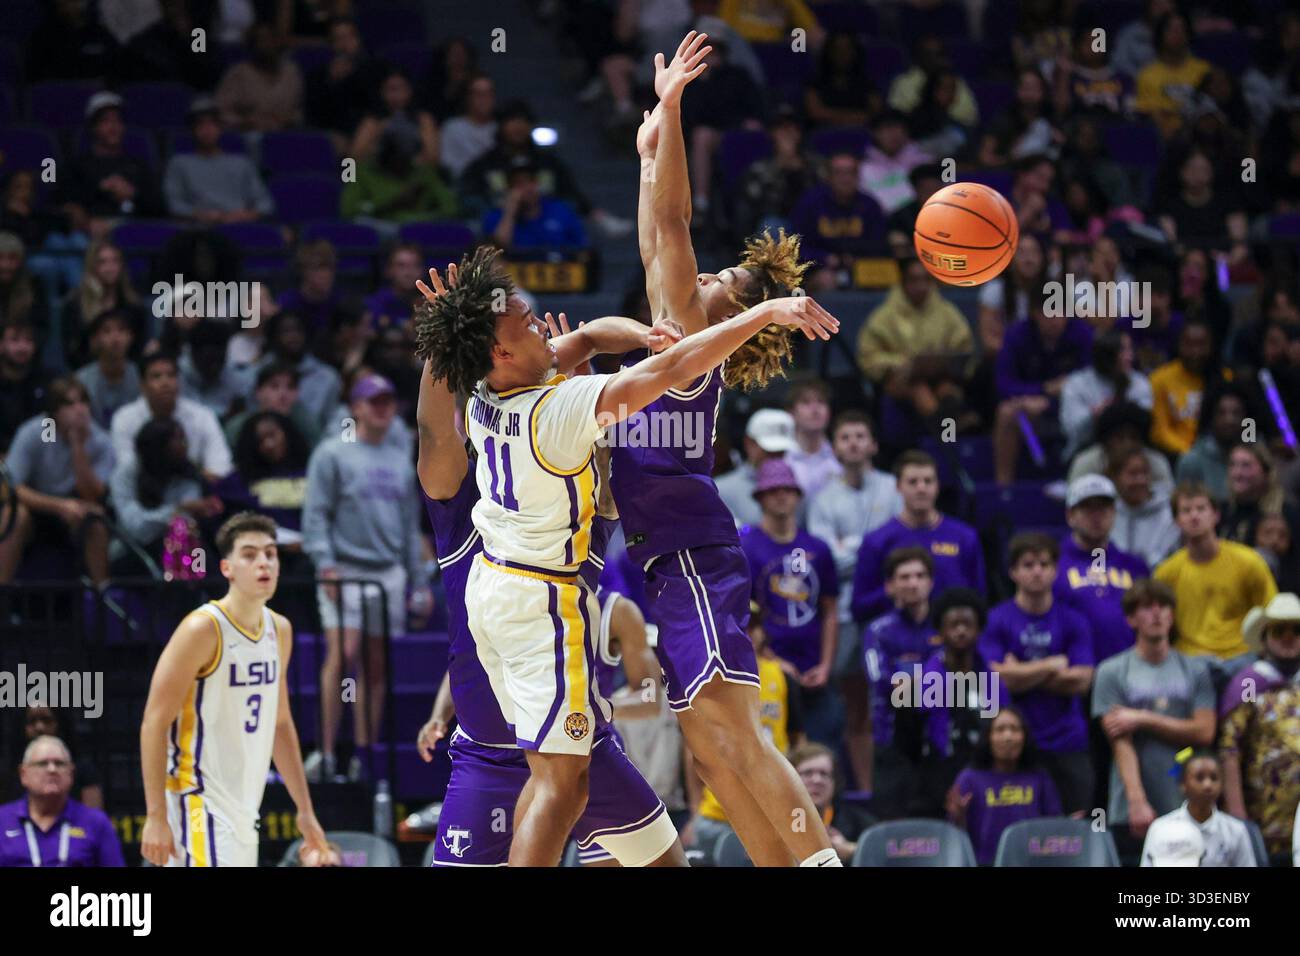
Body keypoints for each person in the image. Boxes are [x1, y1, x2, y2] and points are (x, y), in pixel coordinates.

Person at [416, 243, 835, 867]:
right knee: (560, 786)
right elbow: (663, 375)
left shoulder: (486, 386)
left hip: (497, 591)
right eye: (527, 324)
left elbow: (585, 335)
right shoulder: (556, 410)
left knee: (601, 807)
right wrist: (761, 314)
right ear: (501, 351)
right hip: (539, 604)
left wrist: (643, 331)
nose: (541, 325)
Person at [620, 32, 841, 866]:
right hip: (670, 560)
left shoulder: (693, 337)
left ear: (722, 313)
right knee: (709, 753)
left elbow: (672, 225)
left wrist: (674, 107)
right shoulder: (676, 344)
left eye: (720, 282)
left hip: (696, 555)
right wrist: (648, 153)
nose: (704, 275)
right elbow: (655, 238)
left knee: (739, 741)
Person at [414, 365, 685, 868]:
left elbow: (602, 457)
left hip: (582, 744)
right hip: (490, 754)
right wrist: (442, 344)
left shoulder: (576, 517)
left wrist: (582, 385)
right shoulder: (466, 522)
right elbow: (434, 431)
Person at [138, 512, 330, 867]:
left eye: (271, 553)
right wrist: (155, 815)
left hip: (243, 809)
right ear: (227, 568)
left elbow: (280, 724)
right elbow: (154, 722)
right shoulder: (202, 628)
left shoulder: (279, 630)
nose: (264, 562)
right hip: (197, 802)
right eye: (250, 554)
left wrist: (305, 810)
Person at [301, 374, 431, 783]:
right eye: (373, 400)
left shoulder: (399, 456)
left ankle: (362, 754)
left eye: (388, 399)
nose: (382, 406)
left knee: (376, 665)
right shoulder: (332, 453)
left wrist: (419, 581)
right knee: (344, 653)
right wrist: (325, 563)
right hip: (345, 568)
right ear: (355, 407)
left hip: (388, 571)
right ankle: (324, 752)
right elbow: (316, 513)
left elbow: (411, 524)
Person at [808, 410, 902, 788]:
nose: (854, 443)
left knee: (895, 694)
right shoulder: (823, 498)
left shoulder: (894, 487)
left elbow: (900, 546)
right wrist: (875, 551)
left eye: (861, 436)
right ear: (835, 447)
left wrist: (855, 548)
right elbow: (827, 557)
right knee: (852, 699)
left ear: (873, 444)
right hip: (844, 609)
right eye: (845, 437)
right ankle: (856, 786)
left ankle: (889, 783)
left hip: (891, 604)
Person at [1093, 579, 1215, 861]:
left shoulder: (1195, 670)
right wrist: (1136, 800)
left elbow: (1204, 732)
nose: (1157, 613)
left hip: (1186, 796)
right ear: (1131, 619)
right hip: (1133, 802)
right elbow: (1120, 742)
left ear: (1172, 616)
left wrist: (1142, 717)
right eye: (1147, 608)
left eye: (1164, 607)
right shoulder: (1111, 671)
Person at [980, 533, 1096, 814]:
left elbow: (1082, 681)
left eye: (1044, 564)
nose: (1037, 571)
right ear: (1013, 572)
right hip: (1015, 743)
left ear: (1055, 570)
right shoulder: (995, 619)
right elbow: (996, 679)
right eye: (1028, 564)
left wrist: (1019, 671)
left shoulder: (1073, 620)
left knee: (1076, 822)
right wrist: (1052, 665)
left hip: (1067, 738)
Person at [687, 602, 805, 856]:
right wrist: (695, 810)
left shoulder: (782, 676)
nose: (746, 632)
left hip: (775, 805)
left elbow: (799, 743)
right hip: (718, 813)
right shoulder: (707, 679)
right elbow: (693, 753)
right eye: (739, 626)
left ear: (762, 631)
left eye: (752, 626)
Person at [740, 459, 839, 741]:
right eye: (773, 490)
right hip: (767, 668)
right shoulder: (746, 548)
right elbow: (740, 617)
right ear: (760, 497)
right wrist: (771, 660)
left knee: (822, 747)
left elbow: (829, 611)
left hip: (815, 666)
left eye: (787, 489)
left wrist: (826, 665)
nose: (781, 495)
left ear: (798, 495)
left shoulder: (818, 548)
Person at [0, 377, 113, 585]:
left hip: (77, 508)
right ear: (54, 411)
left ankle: (102, 600)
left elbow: (93, 494)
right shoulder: (44, 430)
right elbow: (13, 487)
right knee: (13, 515)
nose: (79, 410)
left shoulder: (99, 440)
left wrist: (77, 445)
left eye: (83, 402)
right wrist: (59, 506)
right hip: (37, 505)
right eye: (70, 404)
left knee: (95, 520)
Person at [850, 450, 985, 623]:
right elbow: (859, 608)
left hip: (951, 639)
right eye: (913, 482)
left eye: (928, 481)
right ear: (898, 487)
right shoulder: (876, 541)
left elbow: (979, 600)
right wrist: (891, 592)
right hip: (895, 641)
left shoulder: (964, 537)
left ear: (938, 485)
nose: (921, 488)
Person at [1154, 483, 1277, 665]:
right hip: (1189, 660)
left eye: (1201, 508)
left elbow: (1271, 612)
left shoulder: (1248, 561)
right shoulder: (1166, 573)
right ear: (1176, 521)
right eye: (1186, 511)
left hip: (1240, 657)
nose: (1194, 516)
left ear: (1215, 515)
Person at [1219, 593, 1300, 864]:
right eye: (1279, 630)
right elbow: (1229, 750)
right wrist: (1237, 816)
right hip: (1264, 820)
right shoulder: (1250, 683)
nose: (1289, 637)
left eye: (1296, 630)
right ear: (1264, 639)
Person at [913, 587, 1008, 815]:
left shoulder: (991, 679)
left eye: (967, 624)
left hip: (983, 774)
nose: (961, 631)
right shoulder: (924, 681)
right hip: (933, 777)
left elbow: (999, 723)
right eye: (953, 625)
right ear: (940, 630)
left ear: (979, 629)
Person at [858, 258, 974, 441]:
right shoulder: (884, 316)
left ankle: (948, 440)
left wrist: (944, 360)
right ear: (903, 282)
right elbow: (869, 357)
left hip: (941, 378)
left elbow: (964, 348)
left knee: (948, 391)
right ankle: (945, 436)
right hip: (901, 381)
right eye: (914, 280)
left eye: (926, 280)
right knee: (920, 390)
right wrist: (900, 363)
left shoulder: (947, 313)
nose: (920, 286)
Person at [863, 547, 941, 813]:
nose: (913, 583)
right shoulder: (878, 631)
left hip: (938, 741)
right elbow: (884, 683)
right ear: (890, 586)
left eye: (920, 576)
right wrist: (938, 682)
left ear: (930, 582)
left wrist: (912, 680)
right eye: (904, 577)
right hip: (891, 740)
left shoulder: (946, 626)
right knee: (890, 821)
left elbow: (967, 682)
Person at [1054, 474, 1151, 665]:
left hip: (1129, 672)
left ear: (1114, 513)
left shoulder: (1135, 566)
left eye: (1103, 508)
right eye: (1088, 509)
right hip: (1074, 674)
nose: (1096, 516)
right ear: (1070, 515)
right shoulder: (1052, 565)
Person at [947, 707, 1063, 866]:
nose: (1008, 737)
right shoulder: (969, 778)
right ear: (988, 737)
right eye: (1000, 730)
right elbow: (956, 839)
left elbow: (1053, 826)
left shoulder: (1039, 777)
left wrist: (1067, 827)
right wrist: (959, 818)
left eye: (1015, 729)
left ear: (1025, 736)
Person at [995, 303, 1094, 486]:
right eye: (1048, 313)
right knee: (1006, 412)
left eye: (1060, 312)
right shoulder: (1017, 334)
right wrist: (1042, 390)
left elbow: (1093, 379)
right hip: (1030, 406)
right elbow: (1003, 384)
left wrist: (1067, 389)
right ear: (1035, 314)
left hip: (1074, 404)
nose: (1055, 320)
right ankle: (1004, 489)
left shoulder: (1081, 332)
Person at [0, 736, 122, 867]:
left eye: (59, 763)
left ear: (71, 773)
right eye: (42, 764)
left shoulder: (96, 822)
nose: (52, 769)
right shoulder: (2, 820)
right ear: (24, 774)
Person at [110, 352, 233, 482]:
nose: (165, 383)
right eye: (156, 377)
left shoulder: (203, 416)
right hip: (144, 493)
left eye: (171, 375)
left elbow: (220, 468)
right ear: (142, 385)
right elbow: (127, 470)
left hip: (195, 491)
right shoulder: (124, 419)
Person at [162, 97, 274, 224]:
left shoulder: (241, 163)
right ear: (192, 130)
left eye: (212, 124)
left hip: (239, 225)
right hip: (198, 227)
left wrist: (247, 215)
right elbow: (174, 203)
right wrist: (200, 215)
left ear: (220, 128)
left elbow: (265, 203)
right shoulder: (179, 163)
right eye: (200, 125)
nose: (207, 130)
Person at [1142, 751, 1256, 867]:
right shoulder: (1160, 828)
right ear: (1183, 784)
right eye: (1199, 778)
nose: (1207, 785)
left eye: (1214, 778)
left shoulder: (1236, 831)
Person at [1059, 330, 1152, 460]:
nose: (1131, 356)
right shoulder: (1076, 384)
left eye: (1130, 349)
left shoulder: (1139, 382)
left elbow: (1147, 421)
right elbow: (1072, 432)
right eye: (1123, 351)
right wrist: (1094, 416)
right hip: (1088, 450)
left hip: (1135, 451)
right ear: (1107, 355)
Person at [253, 311, 343, 438]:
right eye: (285, 331)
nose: (293, 337)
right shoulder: (257, 372)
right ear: (274, 337)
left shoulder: (328, 377)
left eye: (298, 330)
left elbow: (333, 419)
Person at [483, 156, 588, 252]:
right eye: (519, 183)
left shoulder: (561, 210)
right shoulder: (495, 216)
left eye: (531, 181)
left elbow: (582, 249)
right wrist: (510, 212)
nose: (527, 188)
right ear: (509, 189)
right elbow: (496, 252)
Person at [214, 21, 304, 133]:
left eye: (272, 39)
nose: (267, 45)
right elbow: (221, 111)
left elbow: (301, 109)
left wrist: (288, 119)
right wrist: (244, 122)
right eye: (261, 40)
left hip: (286, 135)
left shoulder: (291, 73)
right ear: (252, 45)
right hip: (249, 136)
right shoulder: (238, 73)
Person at [715, 408, 795, 529]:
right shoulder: (720, 490)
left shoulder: (797, 487)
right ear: (749, 443)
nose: (776, 457)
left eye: (781, 452)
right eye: (770, 451)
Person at [1135, 12, 1211, 138]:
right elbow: (1150, 114)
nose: (1177, 34)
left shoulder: (1204, 70)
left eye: (1182, 29)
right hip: (1164, 139)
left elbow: (1210, 110)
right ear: (1160, 35)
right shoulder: (1147, 75)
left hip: (1200, 136)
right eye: (1171, 29)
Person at [1108, 445, 1182, 573]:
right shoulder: (1108, 513)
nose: (1140, 480)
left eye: (1144, 473)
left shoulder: (1169, 511)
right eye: (1133, 474)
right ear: (1116, 478)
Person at [1148, 319, 1213, 456]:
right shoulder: (1159, 379)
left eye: (1201, 345)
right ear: (1179, 345)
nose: (1195, 352)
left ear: (1211, 346)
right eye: (1189, 345)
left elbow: (1244, 422)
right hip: (1174, 455)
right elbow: (1159, 431)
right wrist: (1189, 453)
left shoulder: (1225, 378)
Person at [1174, 386, 1250, 502]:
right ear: (1211, 418)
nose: (1229, 420)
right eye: (1221, 413)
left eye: (1236, 413)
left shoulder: (1255, 456)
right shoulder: (1192, 461)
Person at [223, 362, 321, 450]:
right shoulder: (237, 428)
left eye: (290, 387)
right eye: (274, 386)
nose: (283, 394)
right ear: (258, 392)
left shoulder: (306, 425)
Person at [75, 309, 141, 429]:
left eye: (121, 330)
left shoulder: (142, 376)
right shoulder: (81, 381)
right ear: (94, 340)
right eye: (107, 331)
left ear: (131, 337)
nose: (115, 338)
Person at [782, 377, 841, 499]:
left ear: (829, 411)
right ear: (791, 413)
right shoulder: (782, 458)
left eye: (821, 402)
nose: (815, 409)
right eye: (806, 402)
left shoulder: (842, 456)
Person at [0, 313, 48, 453]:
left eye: (28, 340)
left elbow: (50, 421)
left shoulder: (47, 381)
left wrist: (48, 447)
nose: (22, 347)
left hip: (39, 459)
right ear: (1, 344)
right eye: (15, 340)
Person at [439, 73, 498, 179]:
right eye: (478, 94)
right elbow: (448, 167)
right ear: (468, 97)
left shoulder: (501, 128)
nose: (484, 99)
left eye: (488, 94)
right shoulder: (453, 128)